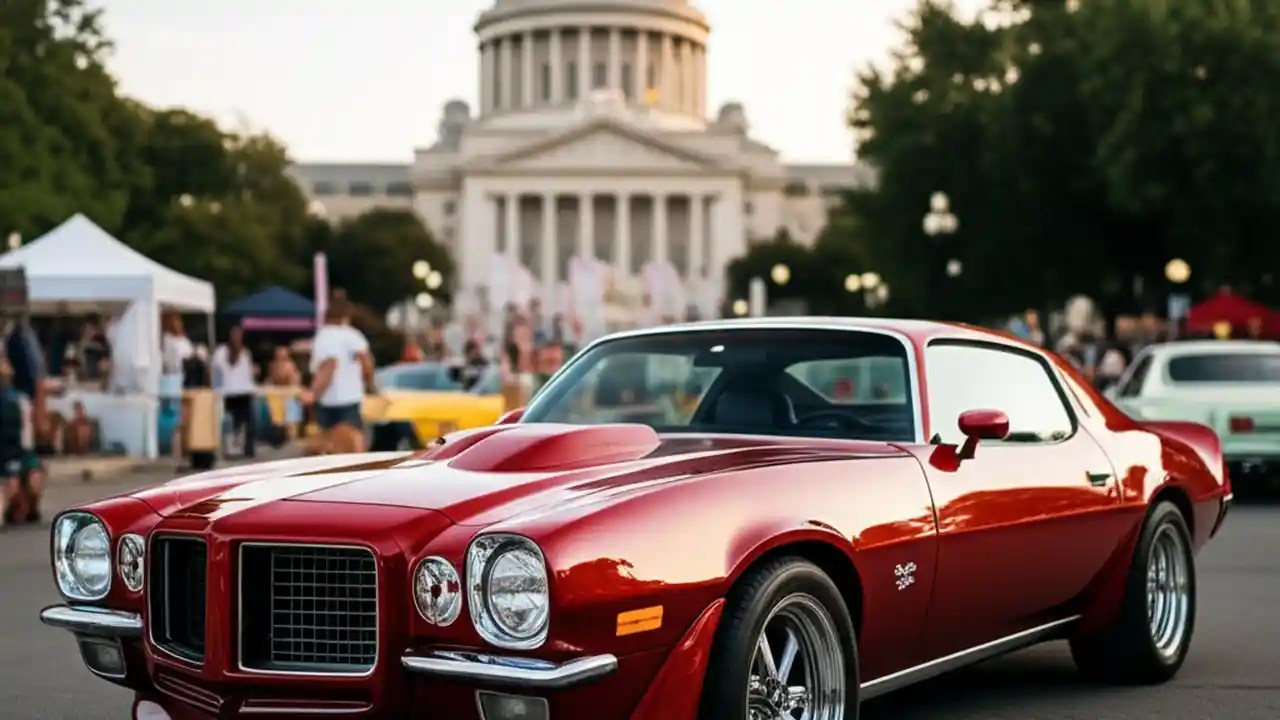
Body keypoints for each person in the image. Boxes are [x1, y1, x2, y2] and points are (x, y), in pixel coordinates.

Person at [308, 300, 375, 451]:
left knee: (327, 442)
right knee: (354, 440)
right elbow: (367, 363)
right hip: (349, 397)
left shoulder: (321, 337)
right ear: (346, 316)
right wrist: (369, 384)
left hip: (325, 399)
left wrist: (314, 393)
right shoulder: (353, 335)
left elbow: (321, 368)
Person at [0, 357, 44, 526]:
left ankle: (31, 507)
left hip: (21, 451)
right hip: (6, 454)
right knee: (11, 485)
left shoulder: (20, 399)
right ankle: (14, 505)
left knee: (34, 479)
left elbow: (33, 432)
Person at [211, 326, 257, 459]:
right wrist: (215, 388)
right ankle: (228, 447)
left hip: (244, 391)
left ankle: (247, 448)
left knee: (247, 422)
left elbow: (248, 374)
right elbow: (214, 371)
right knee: (228, 422)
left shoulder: (245, 353)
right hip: (227, 392)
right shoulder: (221, 352)